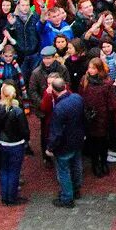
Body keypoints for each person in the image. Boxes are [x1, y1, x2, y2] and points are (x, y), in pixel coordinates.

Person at [0, 82, 29, 205]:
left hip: (2, 143)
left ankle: (5, 197)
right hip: (16, 144)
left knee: (4, 170)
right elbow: (24, 130)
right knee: (14, 172)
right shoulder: (17, 111)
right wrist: (26, 140)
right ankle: (12, 198)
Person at [47, 76, 86, 208]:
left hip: (64, 145)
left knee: (64, 171)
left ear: (54, 90)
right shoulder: (77, 98)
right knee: (77, 166)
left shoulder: (59, 108)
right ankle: (76, 190)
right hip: (77, 140)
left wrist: (50, 147)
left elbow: (56, 132)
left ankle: (67, 197)